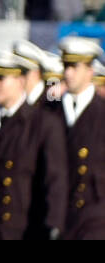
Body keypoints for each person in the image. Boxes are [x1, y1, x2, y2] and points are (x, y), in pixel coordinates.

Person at [0, 52, 66, 240]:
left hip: (25, 228)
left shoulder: (42, 124)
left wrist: (54, 223)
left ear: (20, 81)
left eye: (2, 79)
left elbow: (55, 179)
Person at [46, 37, 105, 239]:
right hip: (60, 213)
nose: (68, 73)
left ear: (90, 70)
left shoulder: (101, 112)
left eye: (74, 66)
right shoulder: (51, 112)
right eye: (66, 66)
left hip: (95, 214)